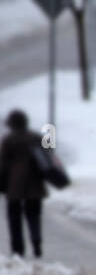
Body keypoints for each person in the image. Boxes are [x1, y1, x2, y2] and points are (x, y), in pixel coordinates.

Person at [0, 109, 48, 258]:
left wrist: (2, 185)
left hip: (14, 186)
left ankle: (17, 249)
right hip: (35, 185)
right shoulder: (36, 138)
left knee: (14, 218)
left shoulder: (8, 141)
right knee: (34, 216)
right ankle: (36, 243)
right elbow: (47, 159)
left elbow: (2, 165)